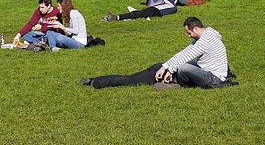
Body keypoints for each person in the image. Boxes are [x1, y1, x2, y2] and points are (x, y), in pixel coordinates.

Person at [82, 16, 230, 90]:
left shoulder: (207, 39)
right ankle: (95, 80)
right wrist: (165, 66)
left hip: (213, 78)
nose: (188, 36)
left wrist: (170, 68)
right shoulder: (205, 36)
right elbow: (184, 52)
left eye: (189, 33)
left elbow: (187, 56)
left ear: (196, 29)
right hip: (203, 70)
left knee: (184, 67)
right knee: (144, 73)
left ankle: (175, 85)